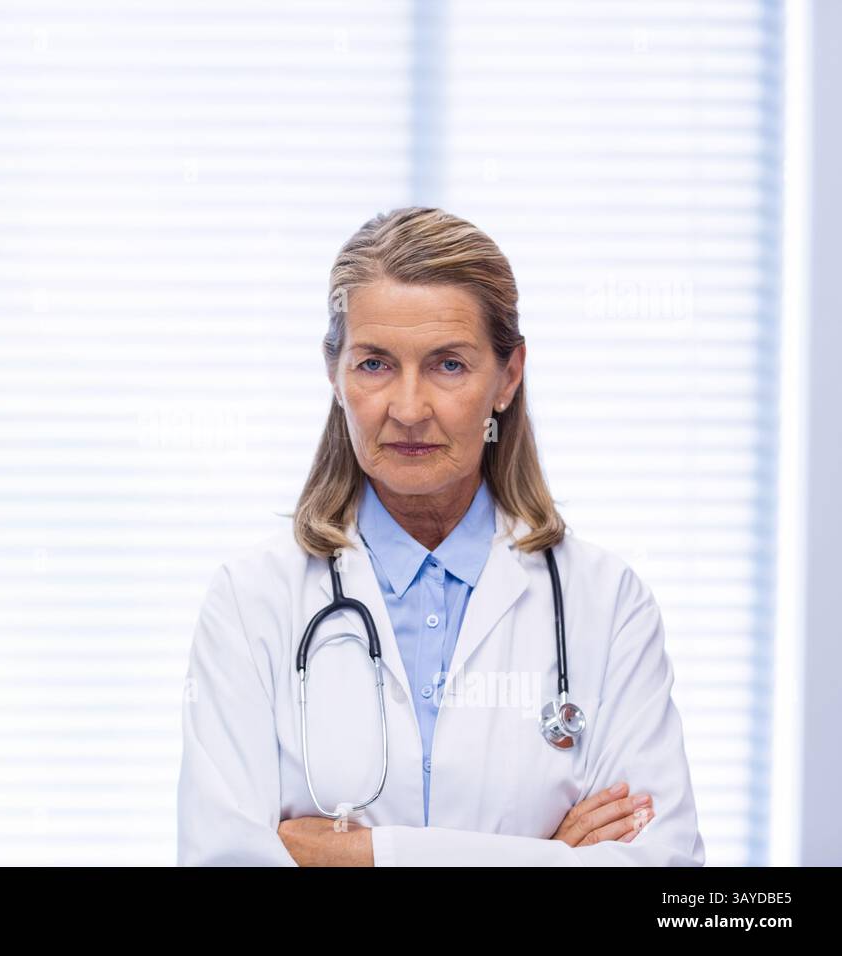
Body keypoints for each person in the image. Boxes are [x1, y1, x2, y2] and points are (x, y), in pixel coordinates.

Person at [176, 207, 705, 866]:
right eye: (374, 364)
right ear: (334, 374)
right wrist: (545, 857)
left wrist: (360, 855)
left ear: (507, 377)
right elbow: (224, 858)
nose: (408, 409)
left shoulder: (607, 603)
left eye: (448, 365)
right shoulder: (251, 601)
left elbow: (665, 867)